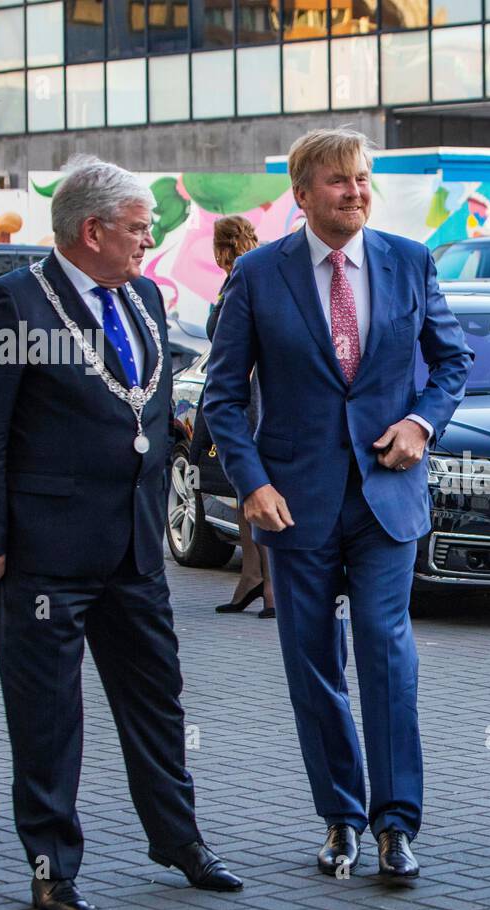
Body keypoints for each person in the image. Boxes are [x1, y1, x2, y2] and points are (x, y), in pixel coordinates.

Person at [0, 156, 242, 910]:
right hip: (45, 549)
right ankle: (53, 866)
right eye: (140, 229)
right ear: (93, 230)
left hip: (136, 550)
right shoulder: (13, 305)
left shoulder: (144, 294)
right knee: (48, 717)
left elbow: (145, 403)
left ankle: (179, 841)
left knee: (157, 702)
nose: (150, 241)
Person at [202, 128, 473, 881]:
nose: (354, 191)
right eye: (336, 181)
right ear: (302, 193)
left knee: (387, 651)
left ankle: (395, 824)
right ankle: (340, 818)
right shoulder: (257, 276)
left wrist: (422, 424)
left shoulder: (410, 261)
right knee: (312, 659)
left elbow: (452, 361)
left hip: (387, 497)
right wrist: (252, 483)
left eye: (360, 178)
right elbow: (222, 397)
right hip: (293, 503)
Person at [195, 215, 274, 618]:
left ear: (221, 246)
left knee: (252, 486)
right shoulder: (257, 271)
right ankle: (254, 575)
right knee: (247, 490)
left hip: (249, 396)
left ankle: (265, 580)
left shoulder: (244, 277)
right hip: (253, 393)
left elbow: (230, 341)